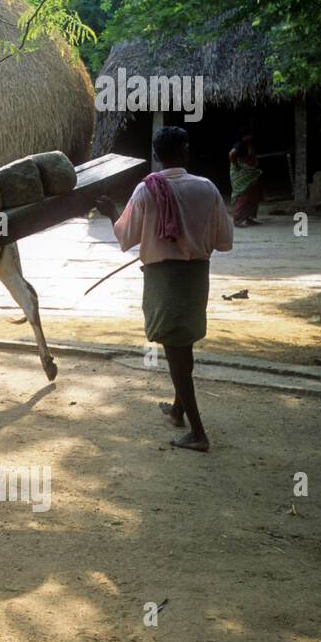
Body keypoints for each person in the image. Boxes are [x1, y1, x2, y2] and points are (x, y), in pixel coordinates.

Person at [95, 126, 233, 452]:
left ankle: (198, 433)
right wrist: (192, 240)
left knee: (174, 349)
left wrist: (111, 213)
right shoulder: (208, 188)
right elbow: (223, 241)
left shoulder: (146, 191)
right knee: (183, 344)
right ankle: (176, 409)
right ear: (185, 152)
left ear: (156, 156)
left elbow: (126, 237)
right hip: (197, 277)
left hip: (164, 279)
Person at [228, 128, 264, 226]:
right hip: (242, 175)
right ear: (244, 136)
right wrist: (238, 166)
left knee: (253, 195)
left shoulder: (248, 144)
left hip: (250, 174)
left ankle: (248, 218)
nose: (251, 137)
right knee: (244, 196)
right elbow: (231, 154)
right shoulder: (239, 144)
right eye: (249, 135)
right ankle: (238, 220)